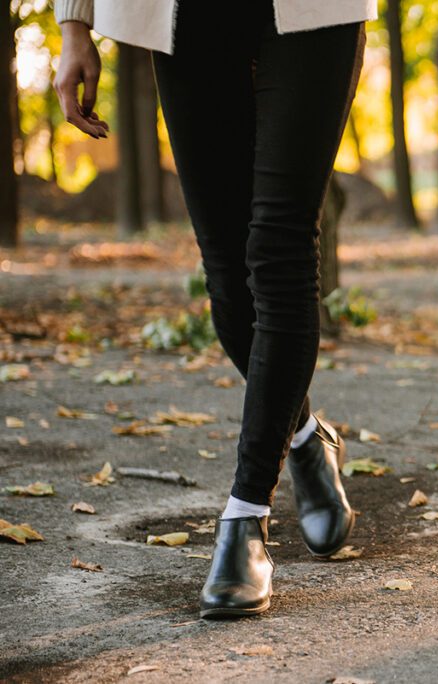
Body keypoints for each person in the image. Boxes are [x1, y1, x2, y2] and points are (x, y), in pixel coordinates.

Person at [52, 0, 374, 619]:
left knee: (279, 248)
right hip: (186, 13)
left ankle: (246, 518)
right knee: (228, 275)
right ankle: (304, 436)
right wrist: (73, 25)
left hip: (312, 15)